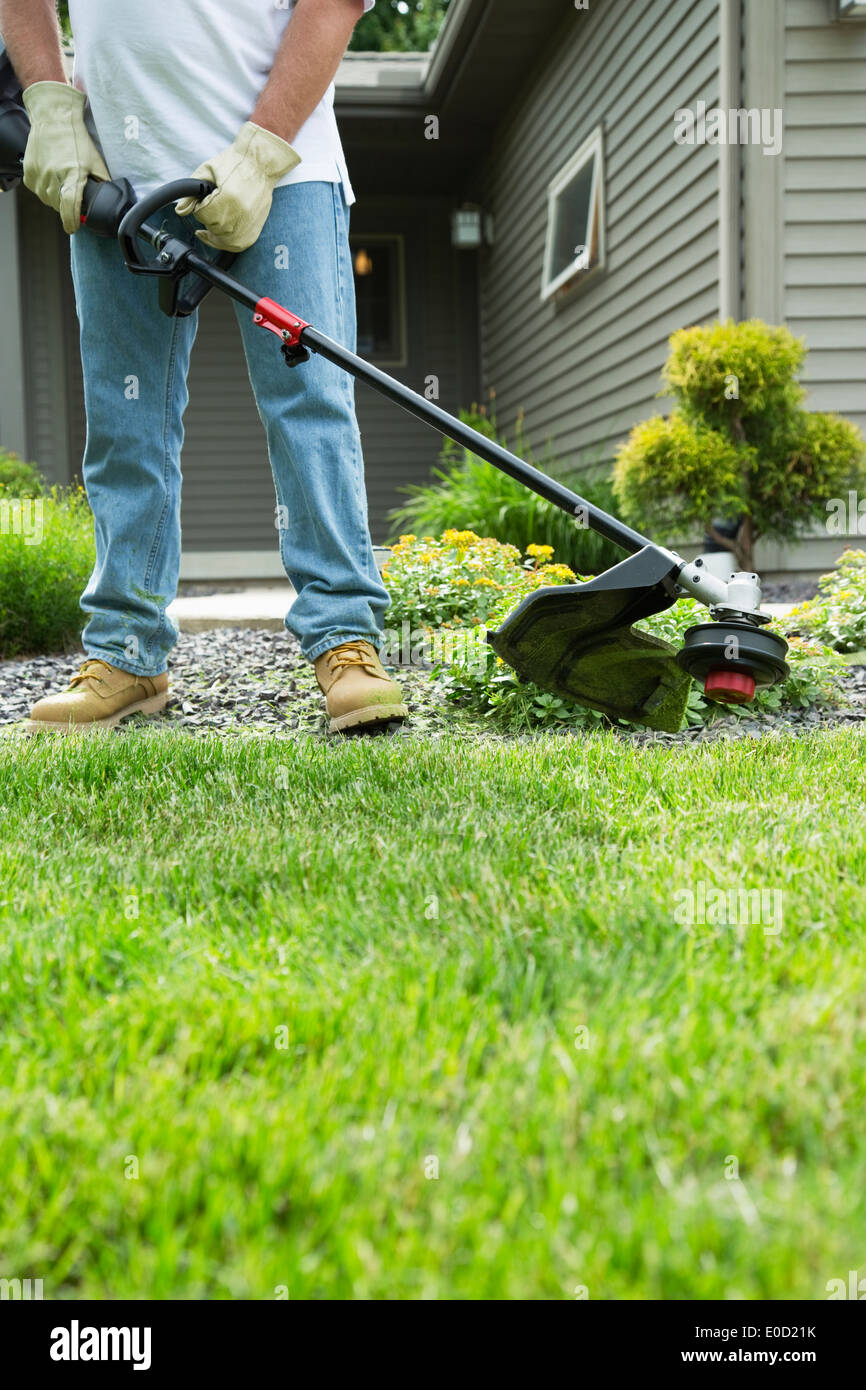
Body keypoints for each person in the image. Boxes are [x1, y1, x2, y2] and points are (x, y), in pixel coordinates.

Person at [0, 0, 408, 734]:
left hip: (285, 169)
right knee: (124, 419)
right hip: (116, 175)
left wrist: (260, 153)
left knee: (308, 399)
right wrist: (50, 105)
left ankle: (346, 638)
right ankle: (126, 653)